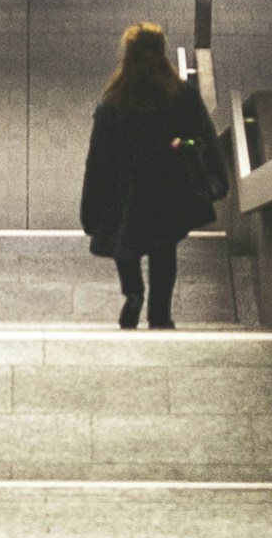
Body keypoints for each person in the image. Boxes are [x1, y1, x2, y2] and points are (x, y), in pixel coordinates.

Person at [79, 19, 225, 330]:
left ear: (127, 54)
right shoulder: (181, 94)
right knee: (163, 248)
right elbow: (203, 137)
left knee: (125, 244)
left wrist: (90, 207)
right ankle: (160, 314)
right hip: (168, 186)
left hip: (125, 188)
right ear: (162, 51)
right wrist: (212, 175)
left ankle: (133, 293)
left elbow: (98, 160)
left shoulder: (113, 100)